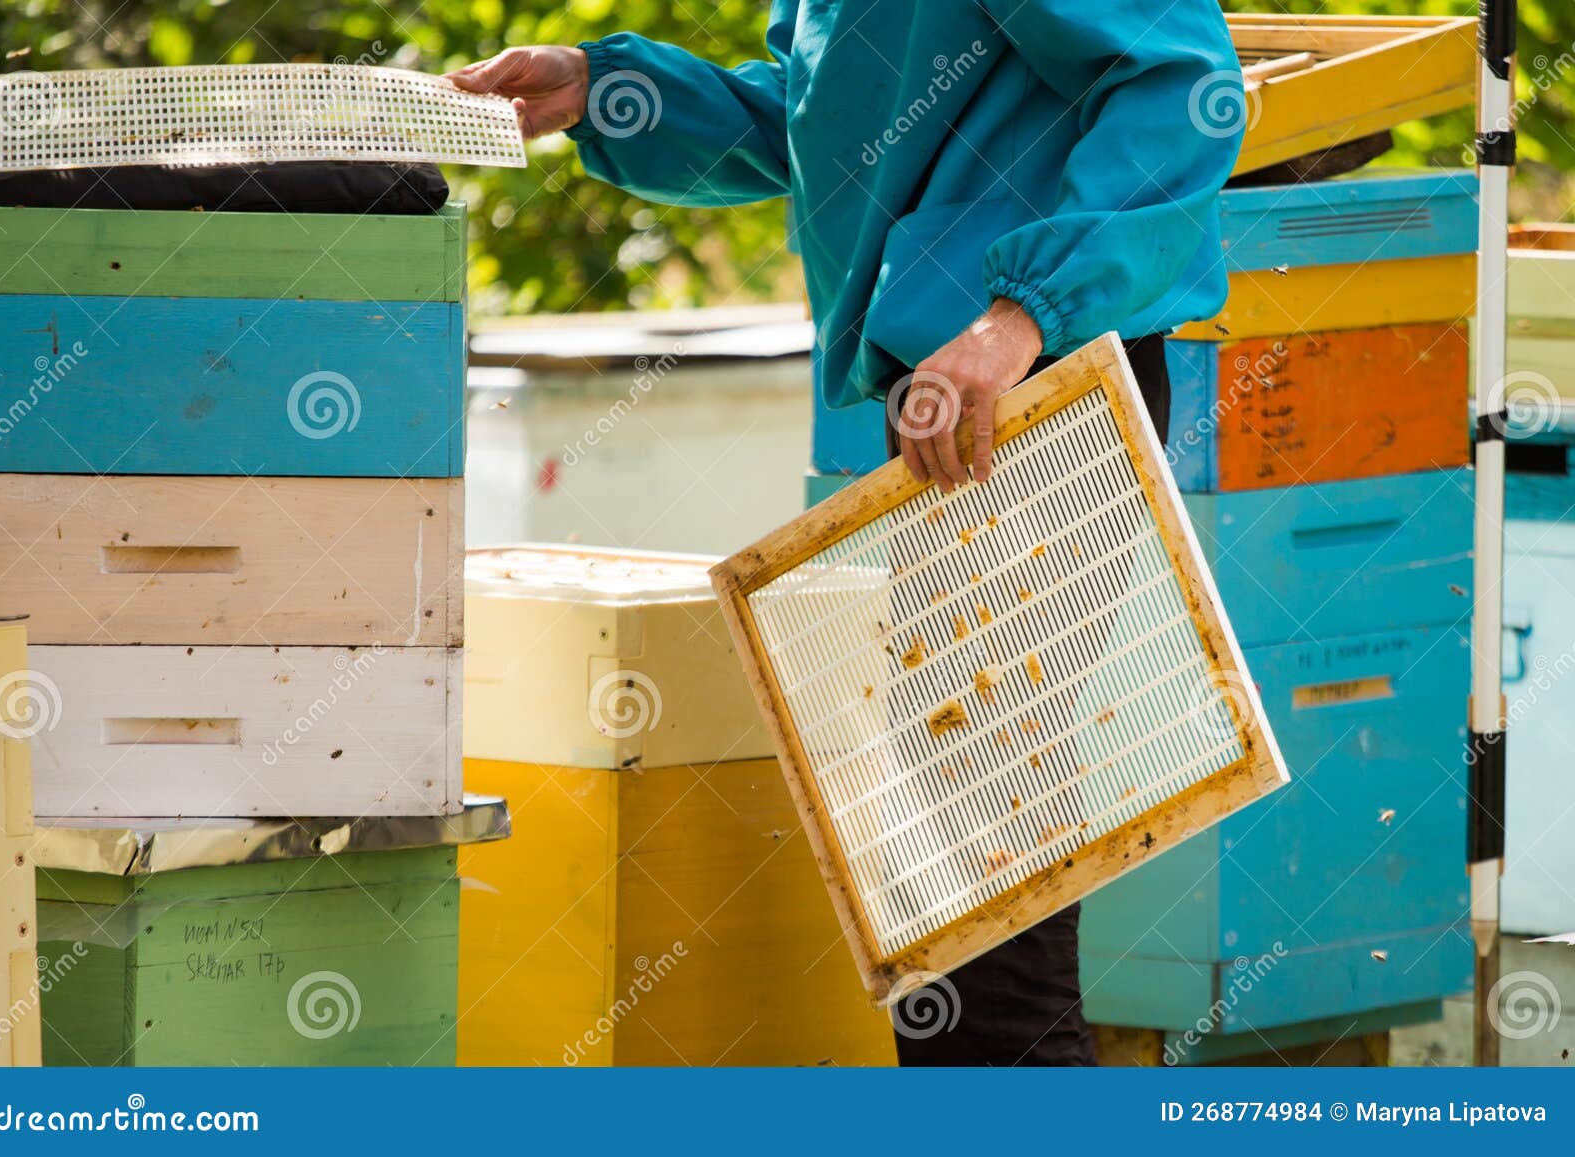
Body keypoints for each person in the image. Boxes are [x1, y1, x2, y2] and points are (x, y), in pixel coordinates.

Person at [450, 0, 1243, 1067]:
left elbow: (1182, 89)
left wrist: (1017, 317)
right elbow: (833, 119)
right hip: (956, 387)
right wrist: (612, 92)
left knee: (984, 903)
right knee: (958, 884)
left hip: (1020, 381)